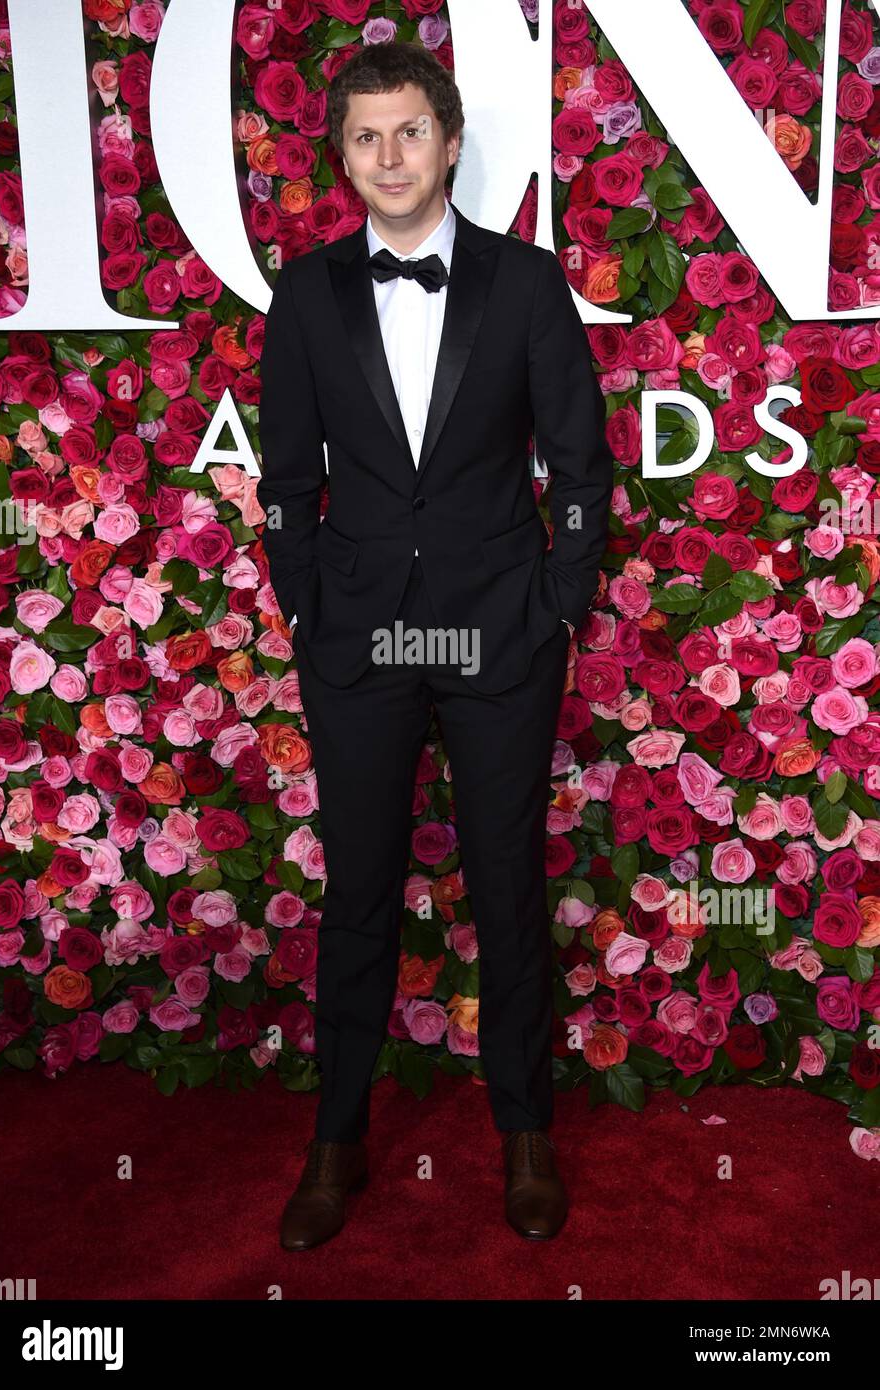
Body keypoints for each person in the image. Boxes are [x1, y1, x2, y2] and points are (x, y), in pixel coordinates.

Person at [257, 40, 614, 1250]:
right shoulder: (303, 297)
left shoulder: (523, 284)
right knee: (357, 891)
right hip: (357, 639)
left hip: (500, 630)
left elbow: (580, 459)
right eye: (365, 137)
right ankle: (336, 1141)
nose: (390, 156)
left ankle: (523, 1134)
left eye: (410, 131)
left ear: (450, 142)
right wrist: (305, 610)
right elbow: (284, 475)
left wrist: (561, 598)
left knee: (507, 885)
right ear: (344, 158)